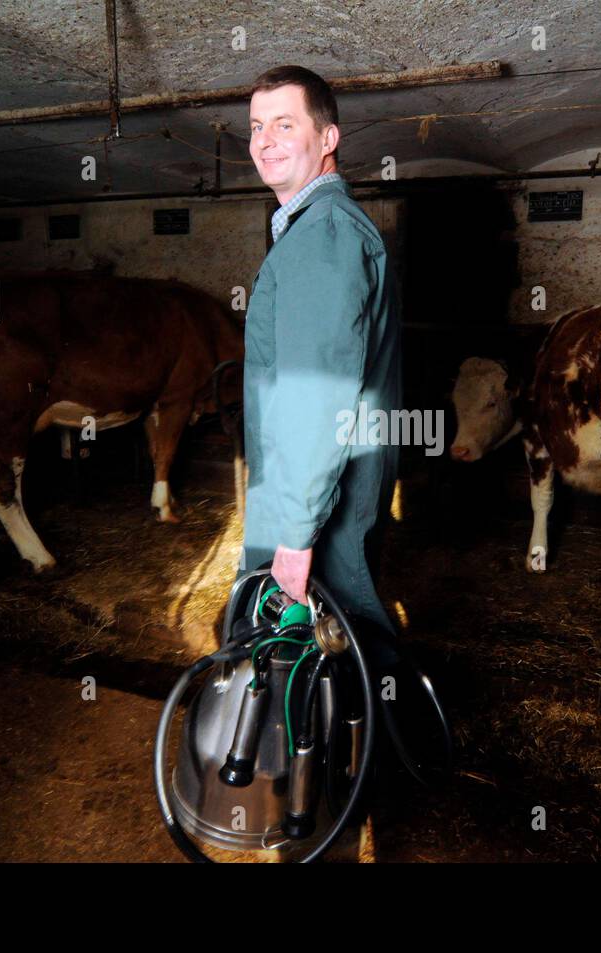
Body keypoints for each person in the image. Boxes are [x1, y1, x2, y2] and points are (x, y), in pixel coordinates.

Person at [236, 65, 402, 665]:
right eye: (256, 126)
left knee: (326, 649)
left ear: (328, 138)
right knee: (335, 647)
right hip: (322, 487)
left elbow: (317, 392)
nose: (264, 140)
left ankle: (372, 750)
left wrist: (296, 534)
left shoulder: (324, 234)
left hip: (311, 499)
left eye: (285, 123)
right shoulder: (314, 228)